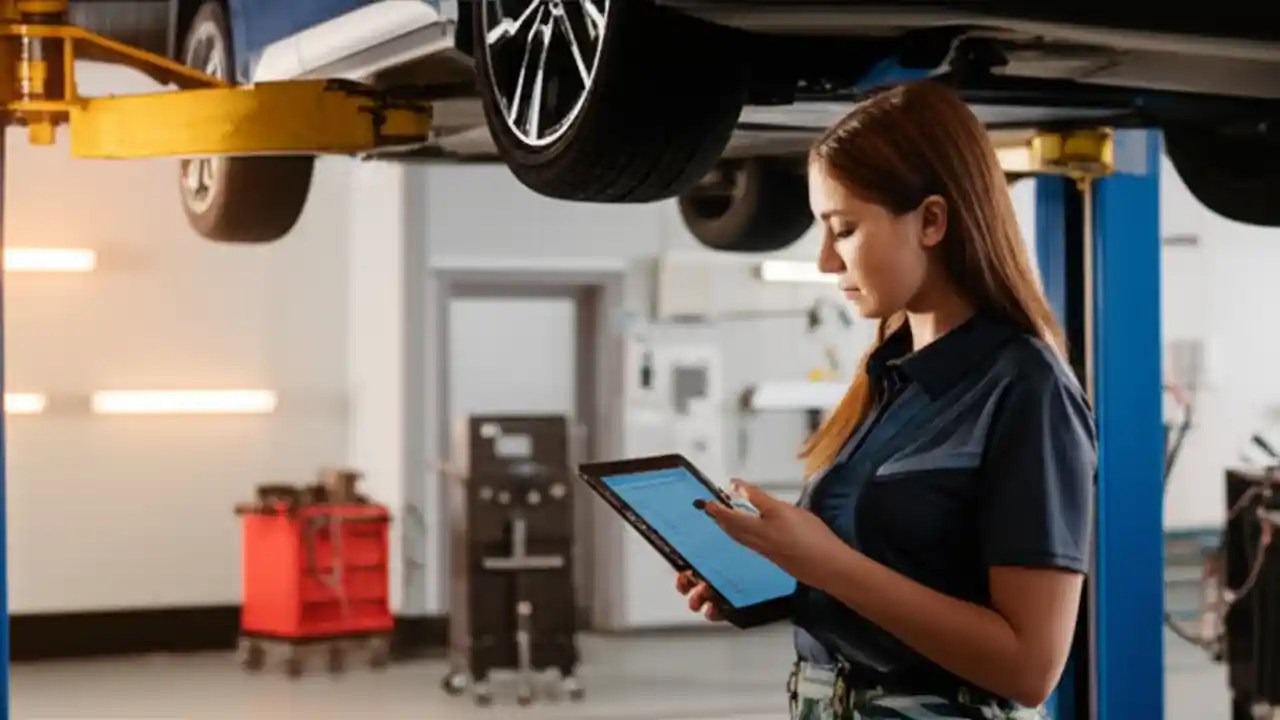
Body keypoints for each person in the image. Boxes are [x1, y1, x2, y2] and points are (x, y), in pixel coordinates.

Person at [675, 81, 1097, 720]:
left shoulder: (1023, 387)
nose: (824, 261)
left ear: (931, 220)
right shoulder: (889, 378)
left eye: (842, 230)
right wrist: (773, 575)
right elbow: (890, 579)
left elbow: (1029, 666)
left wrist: (828, 565)